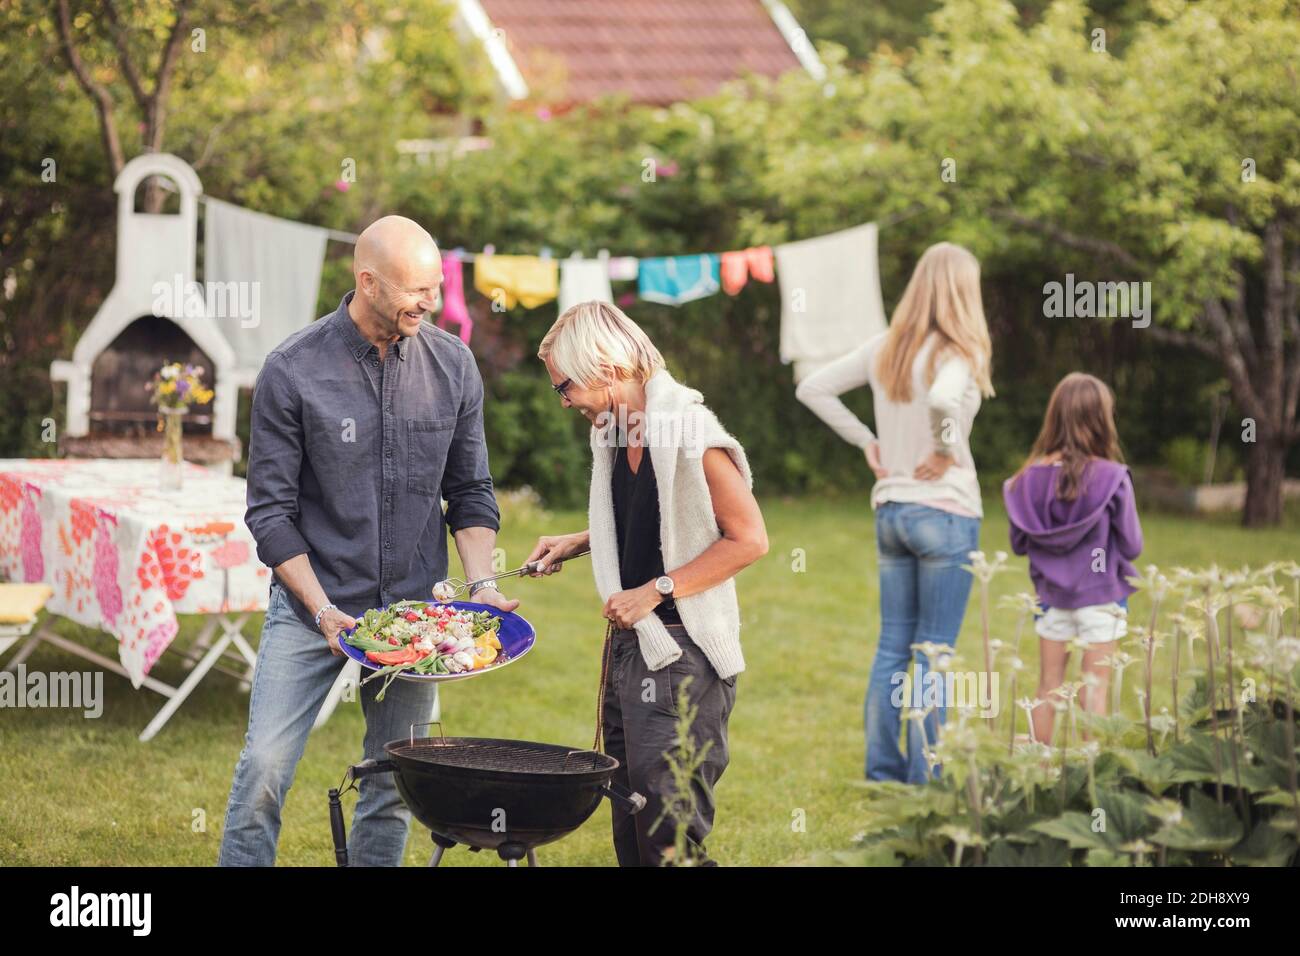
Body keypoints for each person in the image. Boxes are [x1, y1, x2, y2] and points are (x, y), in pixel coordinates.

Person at [218, 216, 517, 866]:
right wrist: (322, 608)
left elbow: (469, 490)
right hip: (312, 606)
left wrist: (484, 584)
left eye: (435, 288)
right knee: (266, 764)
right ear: (367, 282)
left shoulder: (454, 365)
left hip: (413, 612)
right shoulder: (292, 371)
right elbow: (271, 513)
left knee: (392, 780)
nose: (430, 304)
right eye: (416, 291)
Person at [526, 301, 767, 865]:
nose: (563, 402)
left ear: (603, 367)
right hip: (633, 648)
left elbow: (749, 539)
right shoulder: (617, 435)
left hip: (683, 650)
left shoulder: (690, 433)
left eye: (564, 387)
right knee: (632, 826)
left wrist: (655, 590)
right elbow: (659, 517)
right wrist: (580, 540)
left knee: (669, 839)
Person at [796, 242, 994, 783]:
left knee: (892, 649)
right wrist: (946, 450)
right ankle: (925, 777)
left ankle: (883, 773)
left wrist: (868, 442)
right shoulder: (957, 353)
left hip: (892, 512)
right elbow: (944, 401)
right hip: (946, 513)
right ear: (963, 292)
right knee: (934, 651)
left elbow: (812, 386)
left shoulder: (886, 347)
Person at [1003, 372, 1143, 744]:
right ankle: (1089, 779)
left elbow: (1019, 543)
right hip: (1101, 598)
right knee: (1094, 688)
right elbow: (1131, 546)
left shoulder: (1026, 479)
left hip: (1050, 600)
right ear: (1102, 419)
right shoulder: (1113, 478)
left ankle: (1038, 773)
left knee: (1048, 684)